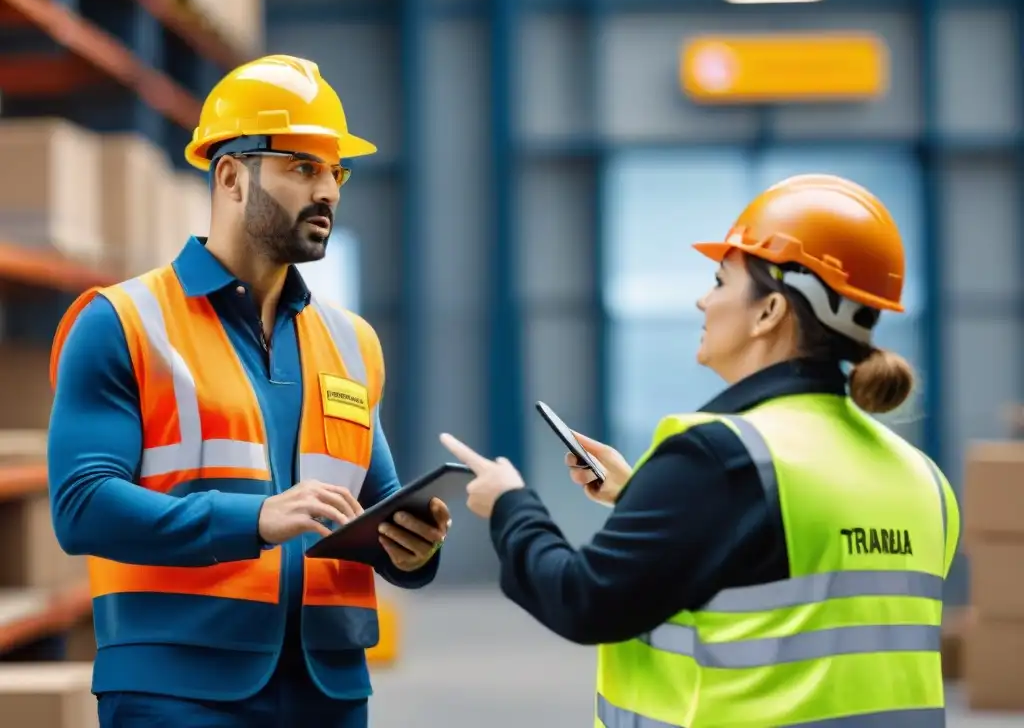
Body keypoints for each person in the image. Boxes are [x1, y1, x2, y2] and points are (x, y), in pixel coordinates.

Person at [441, 174, 960, 727]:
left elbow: (583, 600)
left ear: (770, 312)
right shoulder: (921, 478)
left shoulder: (723, 457)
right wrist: (642, 496)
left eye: (719, 281)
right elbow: (783, 572)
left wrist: (510, 507)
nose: (701, 299)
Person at [47, 54, 451, 728]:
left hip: (331, 689)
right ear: (231, 176)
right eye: (302, 167)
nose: (328, 190)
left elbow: (371, 513)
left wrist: (412, 550)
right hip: (175, 691)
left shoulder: (352, 343)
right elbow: (81, 506)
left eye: (336, 171)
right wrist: (255, 520)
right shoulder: (123, 323)